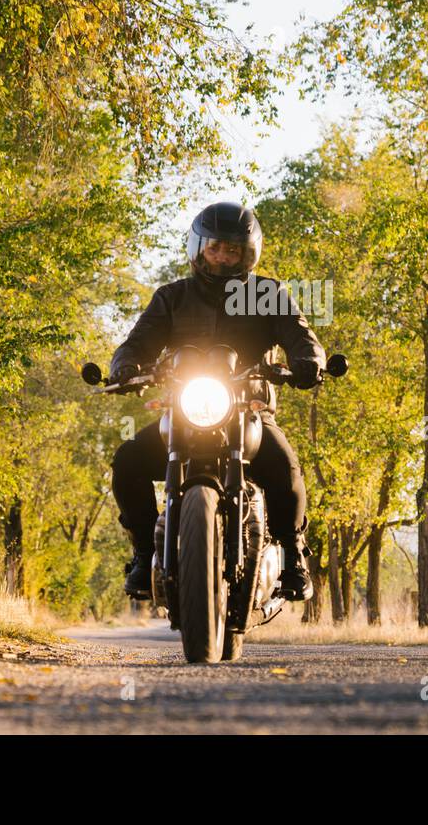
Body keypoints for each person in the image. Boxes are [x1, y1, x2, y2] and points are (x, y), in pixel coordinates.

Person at [108, 201, 326, 602]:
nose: (224, 257)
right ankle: (143, 551)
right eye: (216, 248)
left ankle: (294, 555)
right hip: (186, 411)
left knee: (284, 466)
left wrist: (309, 362)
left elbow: (301, 336)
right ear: (199, 249)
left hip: (249, 411)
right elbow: (137, 342)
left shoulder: (268, 294)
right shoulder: (171, 298)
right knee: (128, 461)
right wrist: (124, 366)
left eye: (233, 250)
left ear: (247, 253)